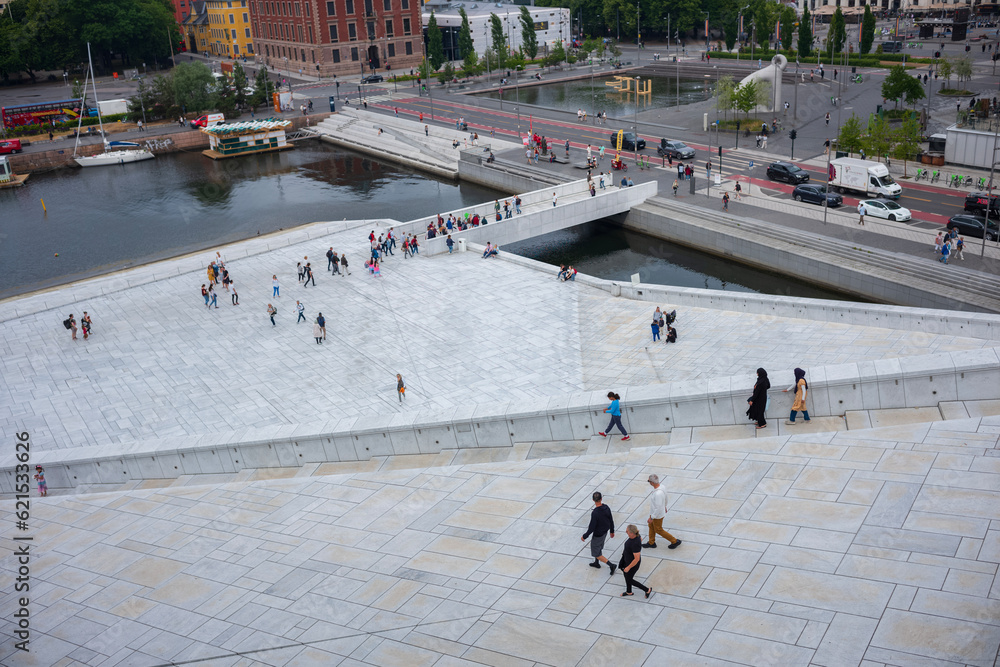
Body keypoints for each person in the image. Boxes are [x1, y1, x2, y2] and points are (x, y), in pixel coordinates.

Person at [581, 491, 617, 573]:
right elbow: (611, 520)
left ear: (593, 500)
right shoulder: (606, 507)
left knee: (596, 553)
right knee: (599, 547)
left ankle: (611, 565)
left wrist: (585, 536)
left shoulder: (595, 513)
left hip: (598, 535)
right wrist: (612, 531)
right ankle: (596, 563)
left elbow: (591, 527)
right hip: (605, 532)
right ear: (601, 499)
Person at [619, 525, 652, 599]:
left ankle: (647, 590)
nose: (626, 532)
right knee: (626, 576)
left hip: (632, 564)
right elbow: (640, 538)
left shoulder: (635, 544)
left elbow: (636, 559)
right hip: (626, 560)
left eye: (627, 531)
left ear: (632, 533)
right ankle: (629, 591)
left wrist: (628, 567)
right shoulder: (637, 536)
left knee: (629, 579)